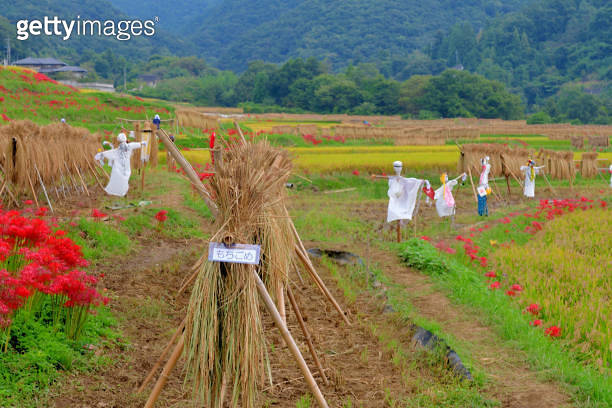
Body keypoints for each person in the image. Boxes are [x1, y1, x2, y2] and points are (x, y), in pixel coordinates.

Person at [94, 132, 146, 196]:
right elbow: (135, 144)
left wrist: (102, 154)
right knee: (122, 178)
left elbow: (110, 153)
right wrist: (142, 143)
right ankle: (121, 191)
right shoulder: (127, 147)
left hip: (121, 167)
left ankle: (121, 191)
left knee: (121, 178)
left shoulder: (119, 150)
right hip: (123, 166)